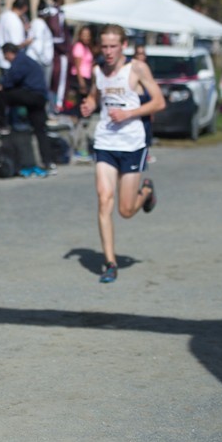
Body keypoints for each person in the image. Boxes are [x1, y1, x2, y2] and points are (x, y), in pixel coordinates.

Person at [79, 24, 165, 284]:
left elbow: (159, 102)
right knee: (104, 199)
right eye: (104, 46)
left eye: (113, 46)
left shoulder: (137, 69)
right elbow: (96, 97)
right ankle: (110, 263)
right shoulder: (98, 70)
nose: (108, 51)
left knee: (126, 210)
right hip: (106, 141)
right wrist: (89, 104)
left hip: (132, 144)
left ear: (123, 45)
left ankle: (146, 192)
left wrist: (128, 113)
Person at [0, 43, 53, 174]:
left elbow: (11, 80)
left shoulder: (19, 61)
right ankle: (48, 161)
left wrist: (1, 85)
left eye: (6, 57)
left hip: (32, 95)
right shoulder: (28, 59)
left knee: (2, 95)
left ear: (9, 53)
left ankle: (1, 124)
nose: (7, 60)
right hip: (40, 98)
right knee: (40, 130)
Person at [45, 0, 71, 111]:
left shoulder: (57, 12)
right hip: (59, 52)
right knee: (59, 78)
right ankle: (58, 105)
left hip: (57, 51)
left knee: (56, 79)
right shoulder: (55, 13)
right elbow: (57, 34)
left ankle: (56, 103)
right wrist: (65, 49)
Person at [25, 0, 54, 100]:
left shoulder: (36, 23)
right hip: (41, 62)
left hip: (39, 60)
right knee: (42, 88)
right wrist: (44, 61)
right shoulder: (40, 24)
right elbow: (38, 45)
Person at [0, 0, 31, 72]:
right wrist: (28, 41)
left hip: (2, 58)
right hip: (11, 62)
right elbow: (16, 44)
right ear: (24, 8)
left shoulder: (4, 15)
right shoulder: (14, 20)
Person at [71, 25, 95, 101]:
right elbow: (77, 66)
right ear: (80, 36)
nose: (86, 37)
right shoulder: (79, 46)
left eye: (88, 35)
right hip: (80, 78)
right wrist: (81, 82)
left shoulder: (87, 47)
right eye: (84, 35)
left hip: (86, 77)